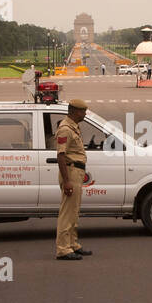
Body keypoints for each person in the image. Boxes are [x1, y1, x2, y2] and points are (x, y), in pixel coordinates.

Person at [55, 99, 92, 260]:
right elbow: (61, 156)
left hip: (76, 171)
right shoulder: (65, 129)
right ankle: (63, 249)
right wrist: (67, 180)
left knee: (74, 212)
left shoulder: (73, 128)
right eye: (82, 111)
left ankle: (72, 244)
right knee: (67, 212)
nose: (84, 114)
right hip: (70, 172)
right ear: (74, 111)